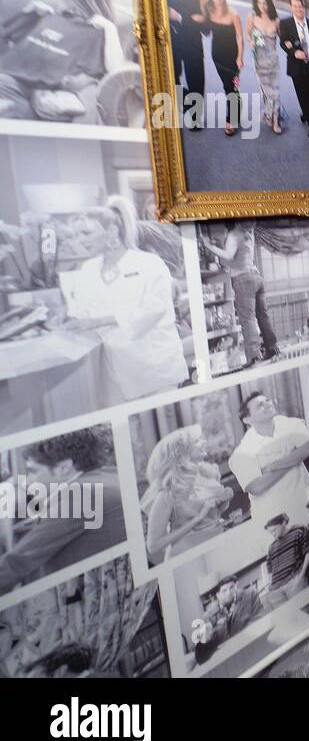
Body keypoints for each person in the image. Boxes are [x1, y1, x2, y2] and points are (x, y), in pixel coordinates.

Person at [56, 195, 189, 402]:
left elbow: (155, 309)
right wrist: (63, 314)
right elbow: (81, 314)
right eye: (75, 235)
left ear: (112, 231)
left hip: (157, 371)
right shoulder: (87, 270)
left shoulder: (150, 264)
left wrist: (101, 320)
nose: (80, 240)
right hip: (118, 373)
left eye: (86, 233)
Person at [0, 428, 127, 594]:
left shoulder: (81, 494)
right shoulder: (107, 475)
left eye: (33, 471)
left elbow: (19, 561)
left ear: (64, 467)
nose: (27, 481)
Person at [139, 426, 233, 564]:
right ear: (181, 452)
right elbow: (153, 546)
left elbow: (210, 514)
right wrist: (197, 519)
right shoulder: (167, 494)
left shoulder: (205, 476)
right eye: (197, 441)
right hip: (187, 556)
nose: (204, 442)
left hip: (217, 541)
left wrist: (222, 503)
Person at [227, 391, 309, 529]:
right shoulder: (243, 452)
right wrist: (293, 459)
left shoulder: (289, 423)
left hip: (305, 503)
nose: (268, 404)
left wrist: (273, 466)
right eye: (260, 405)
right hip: (273, 518)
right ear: (247, 419)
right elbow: (256, 487)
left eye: (268, 400)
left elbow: (307, 448)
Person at [201, 222, 279, 366]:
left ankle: (253, 356)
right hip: (256, 277)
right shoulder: (249, 234)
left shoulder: (233, 234)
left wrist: (209, 246)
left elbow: (229, 255)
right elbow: (239, 257)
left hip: (243, 279)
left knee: (247, 319)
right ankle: (272, 348)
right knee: (263, 316)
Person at [198, 0, 243, 137]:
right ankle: (236, 114)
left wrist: (240, 57)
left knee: (233, 87)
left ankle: (231, 119)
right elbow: (206, 33)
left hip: (233, 58)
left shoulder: (233, 14)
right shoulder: (209, 14)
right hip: (217, 56)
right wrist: (202, 17)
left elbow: (239, 37)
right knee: (227, 87)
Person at [278, 0, 309, 137]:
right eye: (295, 6)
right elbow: (283, 42)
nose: (298, 9)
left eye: (300, 6)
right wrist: (294, 52)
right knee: (303, 95)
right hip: (297, 66)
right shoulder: (285, 24)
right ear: (291, 7)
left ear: (304, 7)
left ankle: (306, 112)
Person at [167, 0, 205, 119]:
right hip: (169, 43)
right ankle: (185, 99)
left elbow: (203, 26)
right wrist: (191, 18)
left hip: (192, 45)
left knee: (196, 80)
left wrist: (179, 17)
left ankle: (195, 118)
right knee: (169, 77)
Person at [246, 0, 284, 135]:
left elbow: (282, 39)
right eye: (259, 3)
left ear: (269, 4)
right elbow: (248, 34)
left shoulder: (276, 21)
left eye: (265, 3)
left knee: (274, 91)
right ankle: (271, 115)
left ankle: (275, 120)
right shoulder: (252, 17)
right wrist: (251, 42)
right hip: (259, 59)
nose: (262, 6)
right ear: (256, 4)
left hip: (273, 59)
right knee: (267, 91)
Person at [263, 513, 309, 605]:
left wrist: (301, 575)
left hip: (293, 582)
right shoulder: (272, 547)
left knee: (303, 609)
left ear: (284, 523)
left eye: (274, 530)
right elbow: (269, 569)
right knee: (286, 617)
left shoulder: (299, 530)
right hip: (276, 589)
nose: (273, 534)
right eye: (270, 532)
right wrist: (270, 586)